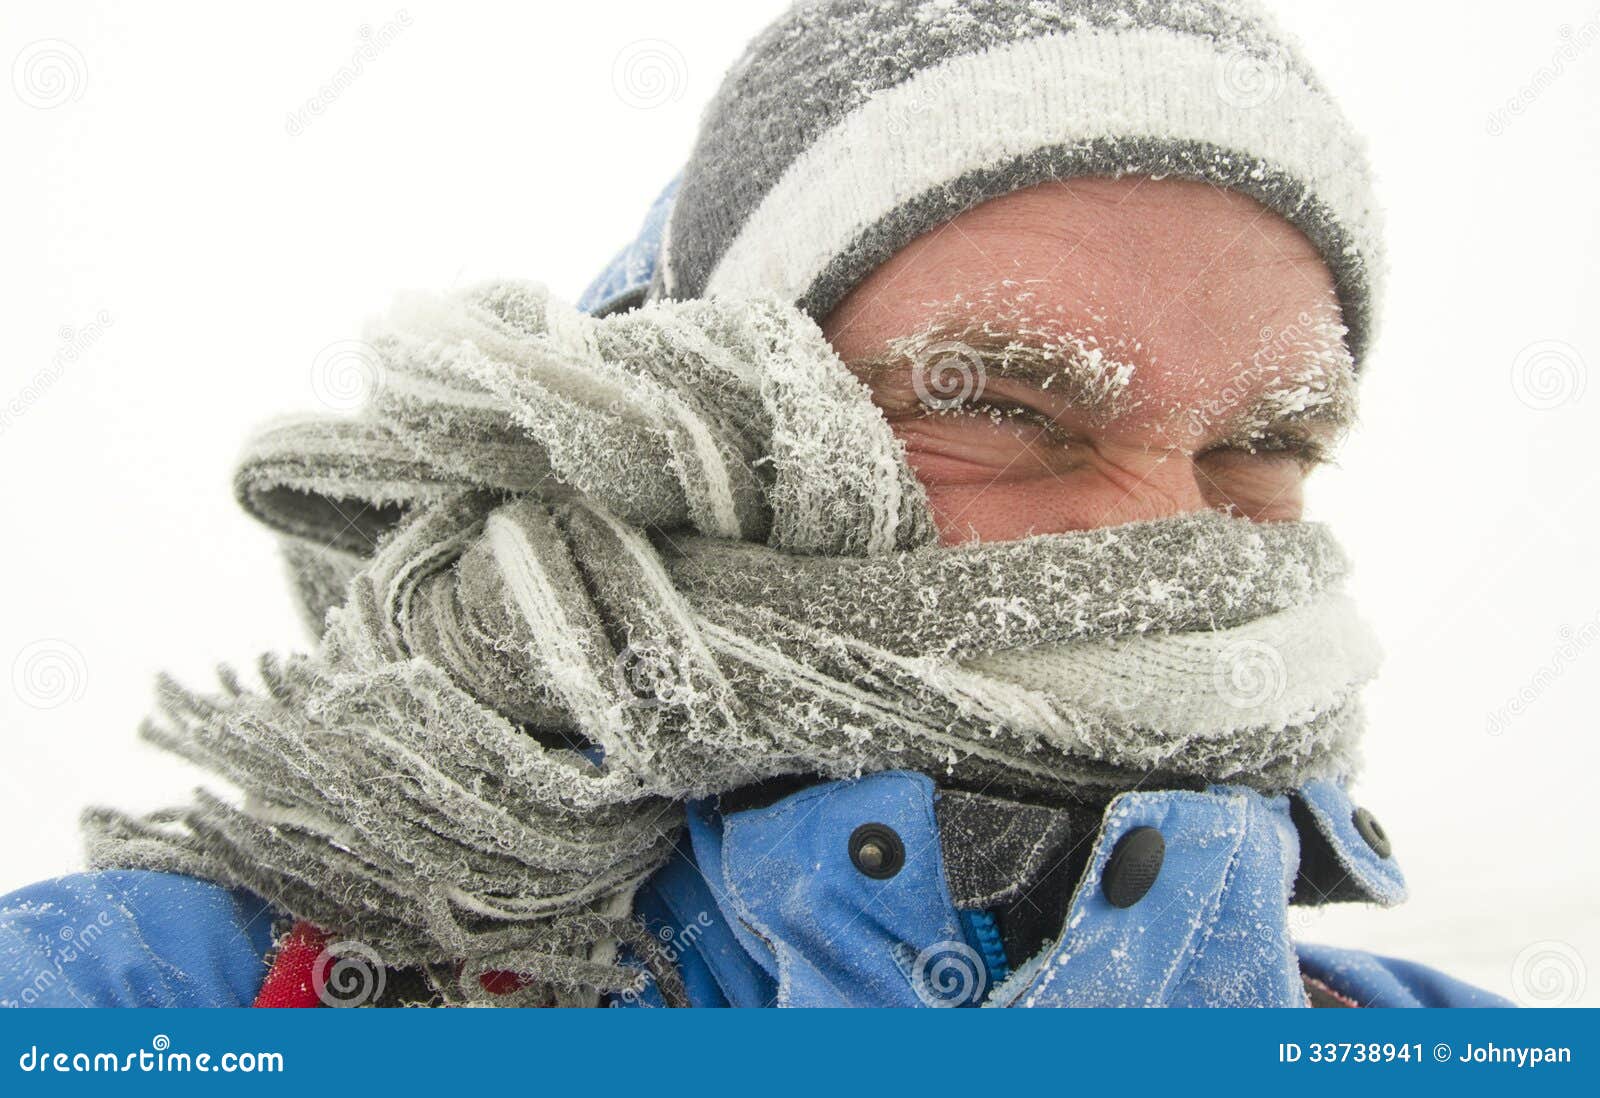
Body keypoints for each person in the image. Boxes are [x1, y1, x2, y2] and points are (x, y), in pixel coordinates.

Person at [0, 0, 1508, 1008]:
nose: (1160, 535)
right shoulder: (150, 1003)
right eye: (1001, 406)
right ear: (711, 426)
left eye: (1263, 442)